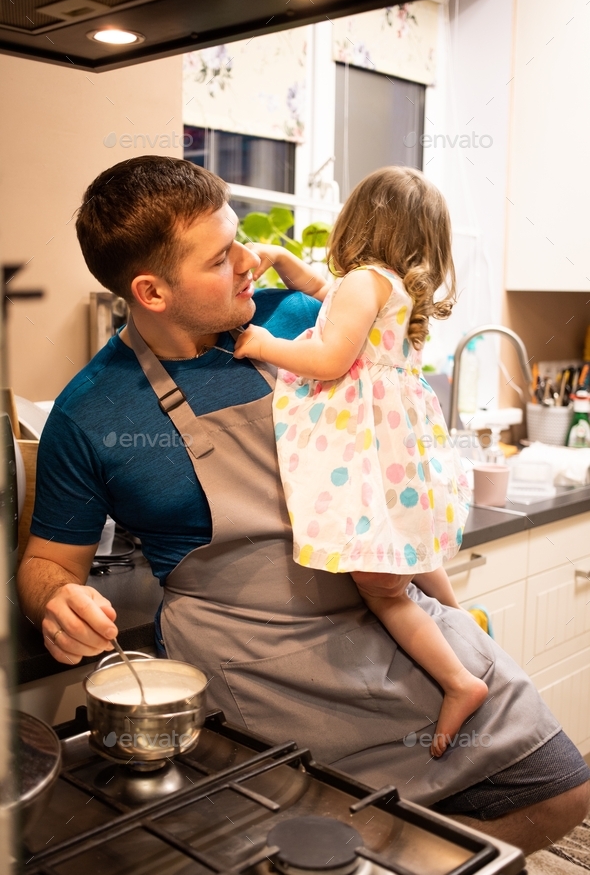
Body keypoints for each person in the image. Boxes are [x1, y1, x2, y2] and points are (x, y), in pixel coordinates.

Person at [17, 156, 589, 856]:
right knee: (320, 848)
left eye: (239, 239)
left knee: (567, 791)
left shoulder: (304, 317)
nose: (248, 261)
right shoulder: (90, 412)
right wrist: (55, 602)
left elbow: (388, 413)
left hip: (389, 614)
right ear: (151, 291)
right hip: (260, 670)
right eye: (222, 257)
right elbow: (46, 562)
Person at [233, 167, 487, 758]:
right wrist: (279, 258)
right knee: (409, 544)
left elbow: (329, 356)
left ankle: (458, 680)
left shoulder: (365, 283)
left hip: (365, 448)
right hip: (401, 453)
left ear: (358, 220)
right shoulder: (397, 289)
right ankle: (456, 618)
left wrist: (262, 344)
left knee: (383, 588)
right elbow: (327, 294)